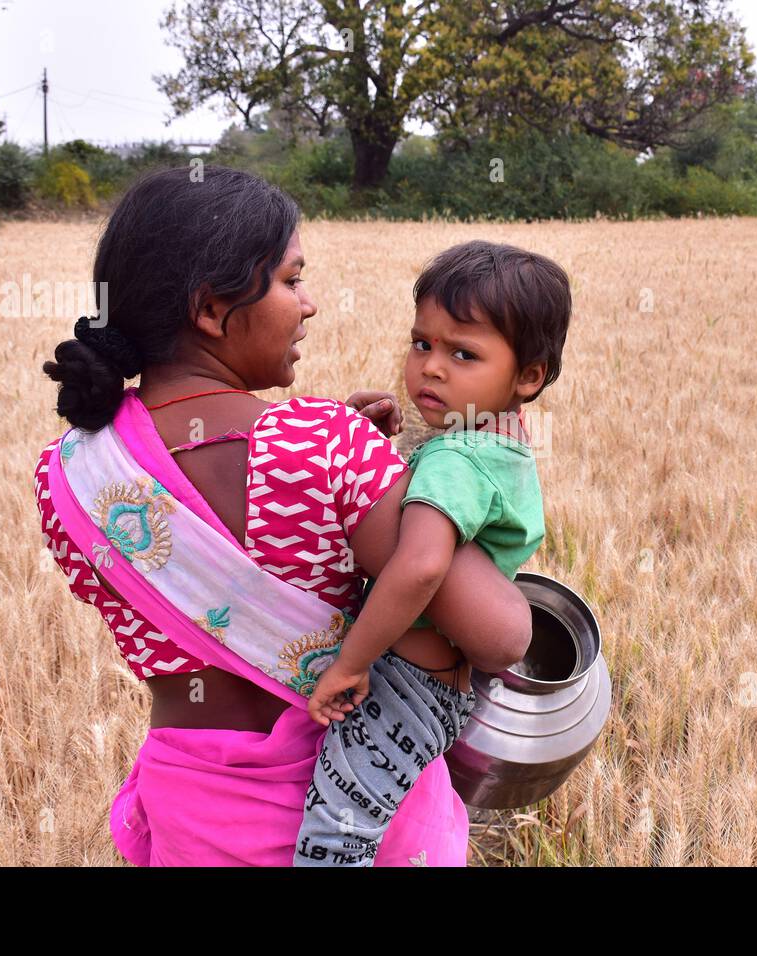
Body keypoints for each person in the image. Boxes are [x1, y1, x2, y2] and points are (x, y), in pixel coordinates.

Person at [33, 165, 532, 867]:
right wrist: (439, 475)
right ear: (210, 310)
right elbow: (501, 633)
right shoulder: (325, 446)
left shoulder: (66, 479)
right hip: (354, 813)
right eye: (292, 279)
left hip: (195, 819)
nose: (310, 304)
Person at [293, 241, 572, 866]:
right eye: (423, 344)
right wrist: (397, 442)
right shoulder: (495, 441)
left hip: (403, 687)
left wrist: (348, 666)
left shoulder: (454, 458)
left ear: (528, 377)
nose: (432, 368)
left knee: (335, 836)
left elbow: (420, 566)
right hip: (440, 689)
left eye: (463, 353)